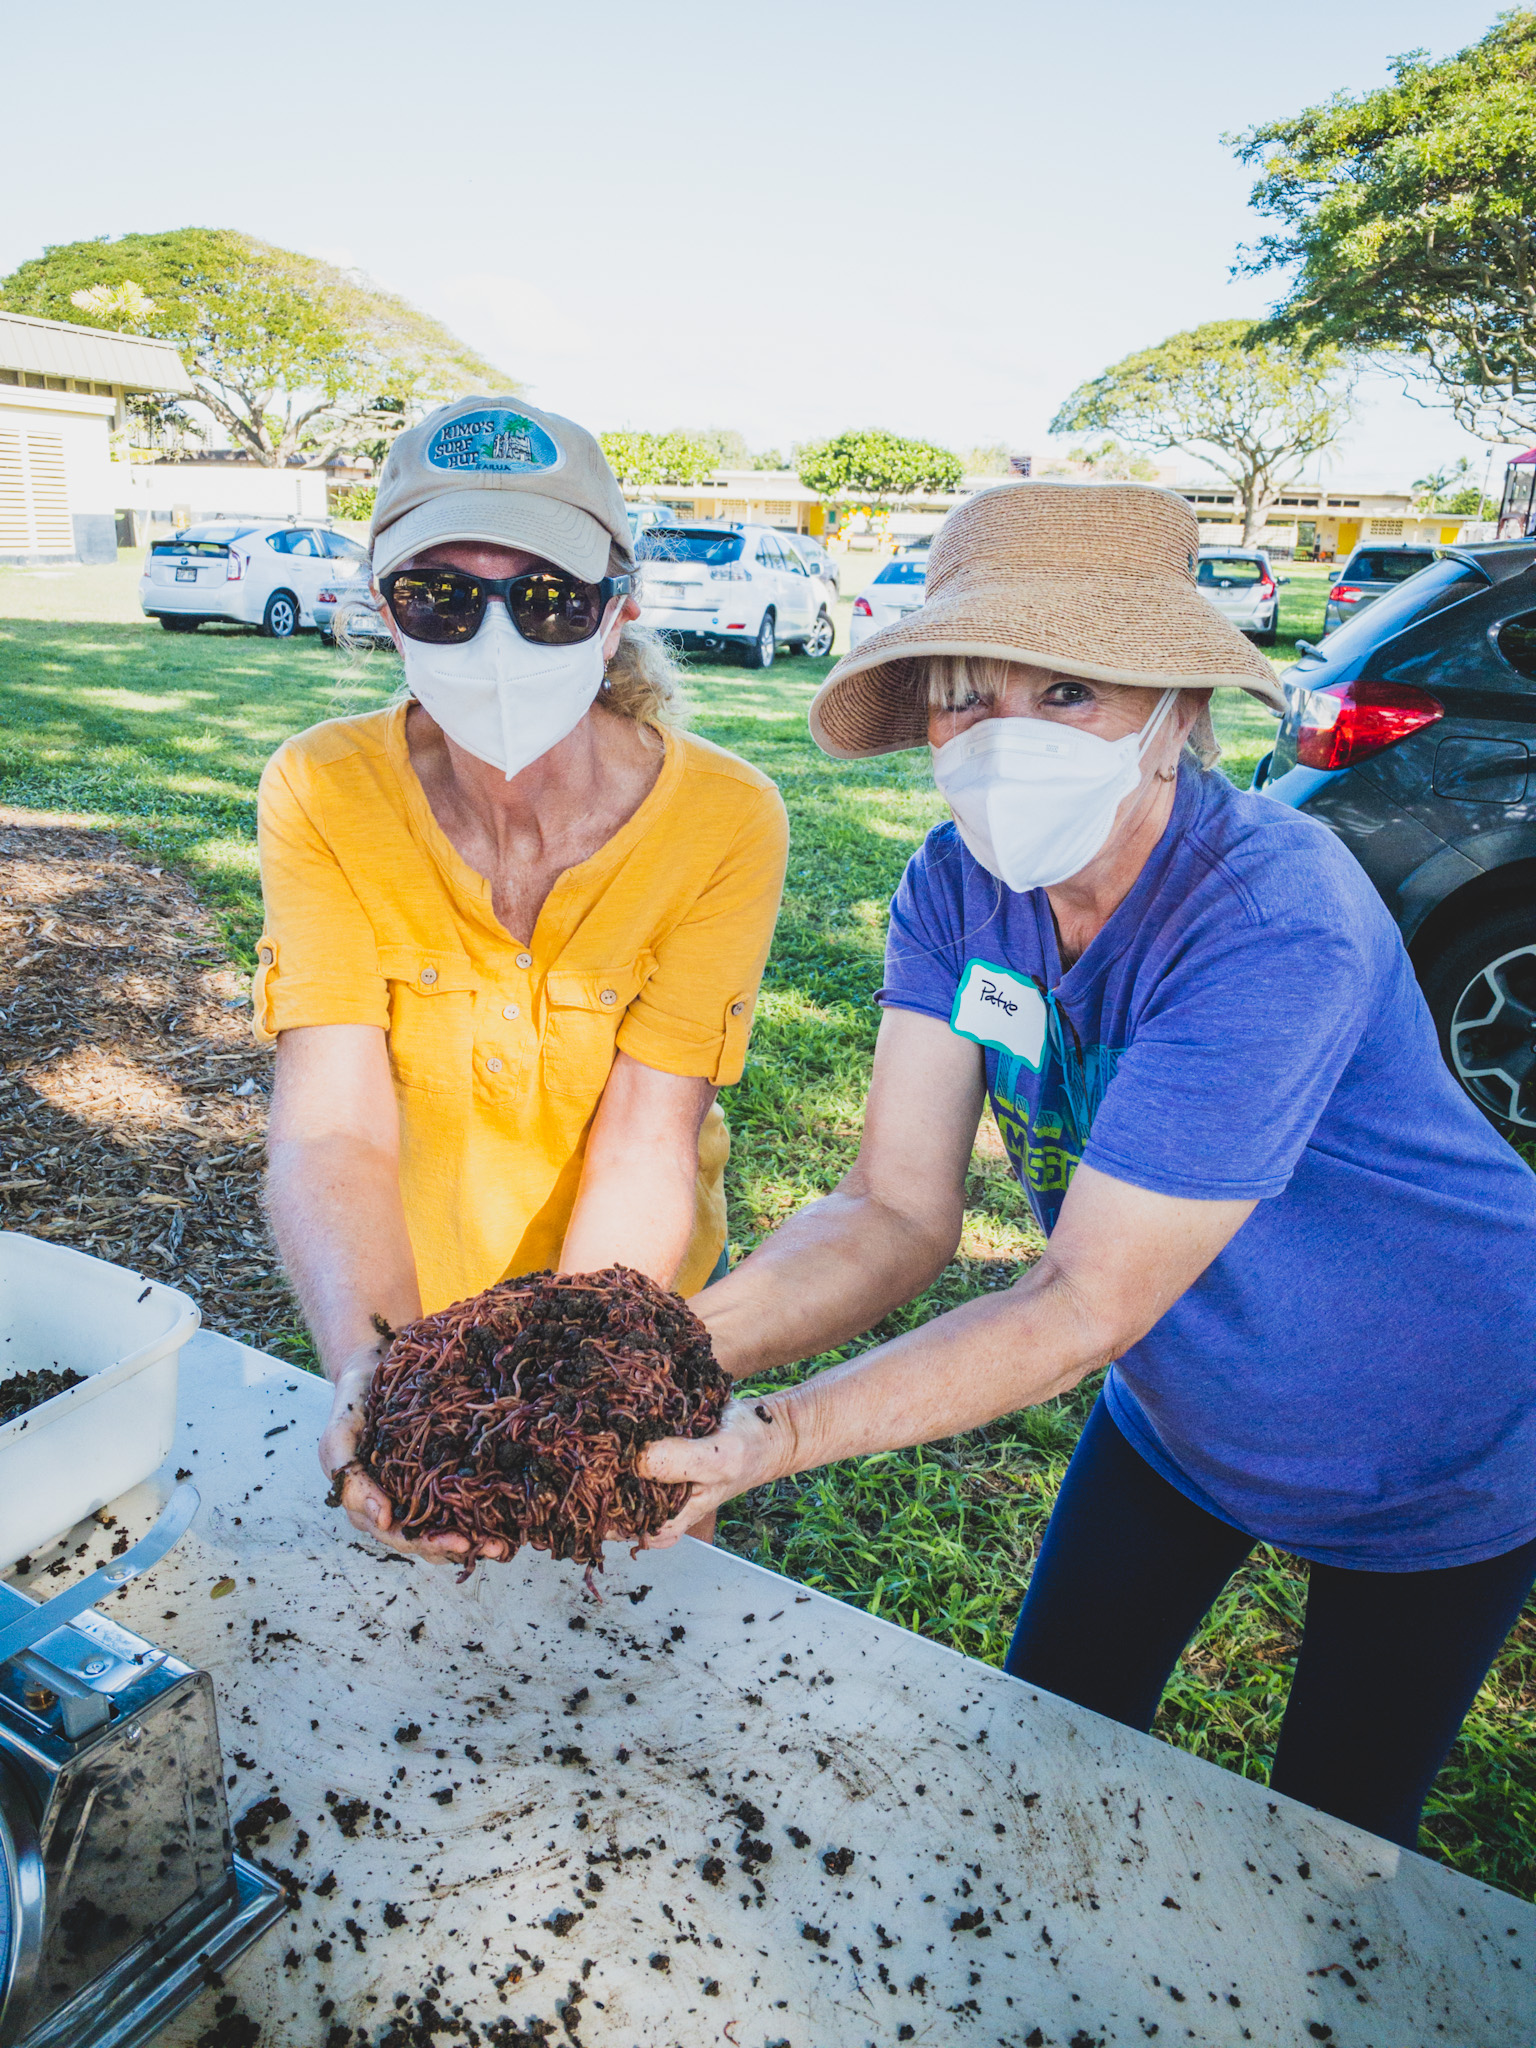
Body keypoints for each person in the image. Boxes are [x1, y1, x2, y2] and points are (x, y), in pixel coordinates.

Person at [638, 482, 1536, 1852]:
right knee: (1043, 1737)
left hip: (1434, 1424)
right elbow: (890, 1207)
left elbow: (1077, 1302)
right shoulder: (954, 887)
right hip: (1181, 1405)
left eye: (1067, 691)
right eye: (961, 696)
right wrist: (653, 1357)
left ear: (1176, 708)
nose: (1003, 741)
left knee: (1335, 1847)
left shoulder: (1273, 912)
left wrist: (777, 1436)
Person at [255, 397, 788, 1562]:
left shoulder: (726, 820)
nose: (493, 640)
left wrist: (576, 1388)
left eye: (546, 598)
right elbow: (332, 1127)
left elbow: (650, 1134)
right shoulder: (320, 790)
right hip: (409, 1305)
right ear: (384, 612)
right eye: (440, 596)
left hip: (624, 1302)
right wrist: (380, 1361)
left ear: (617, 614)